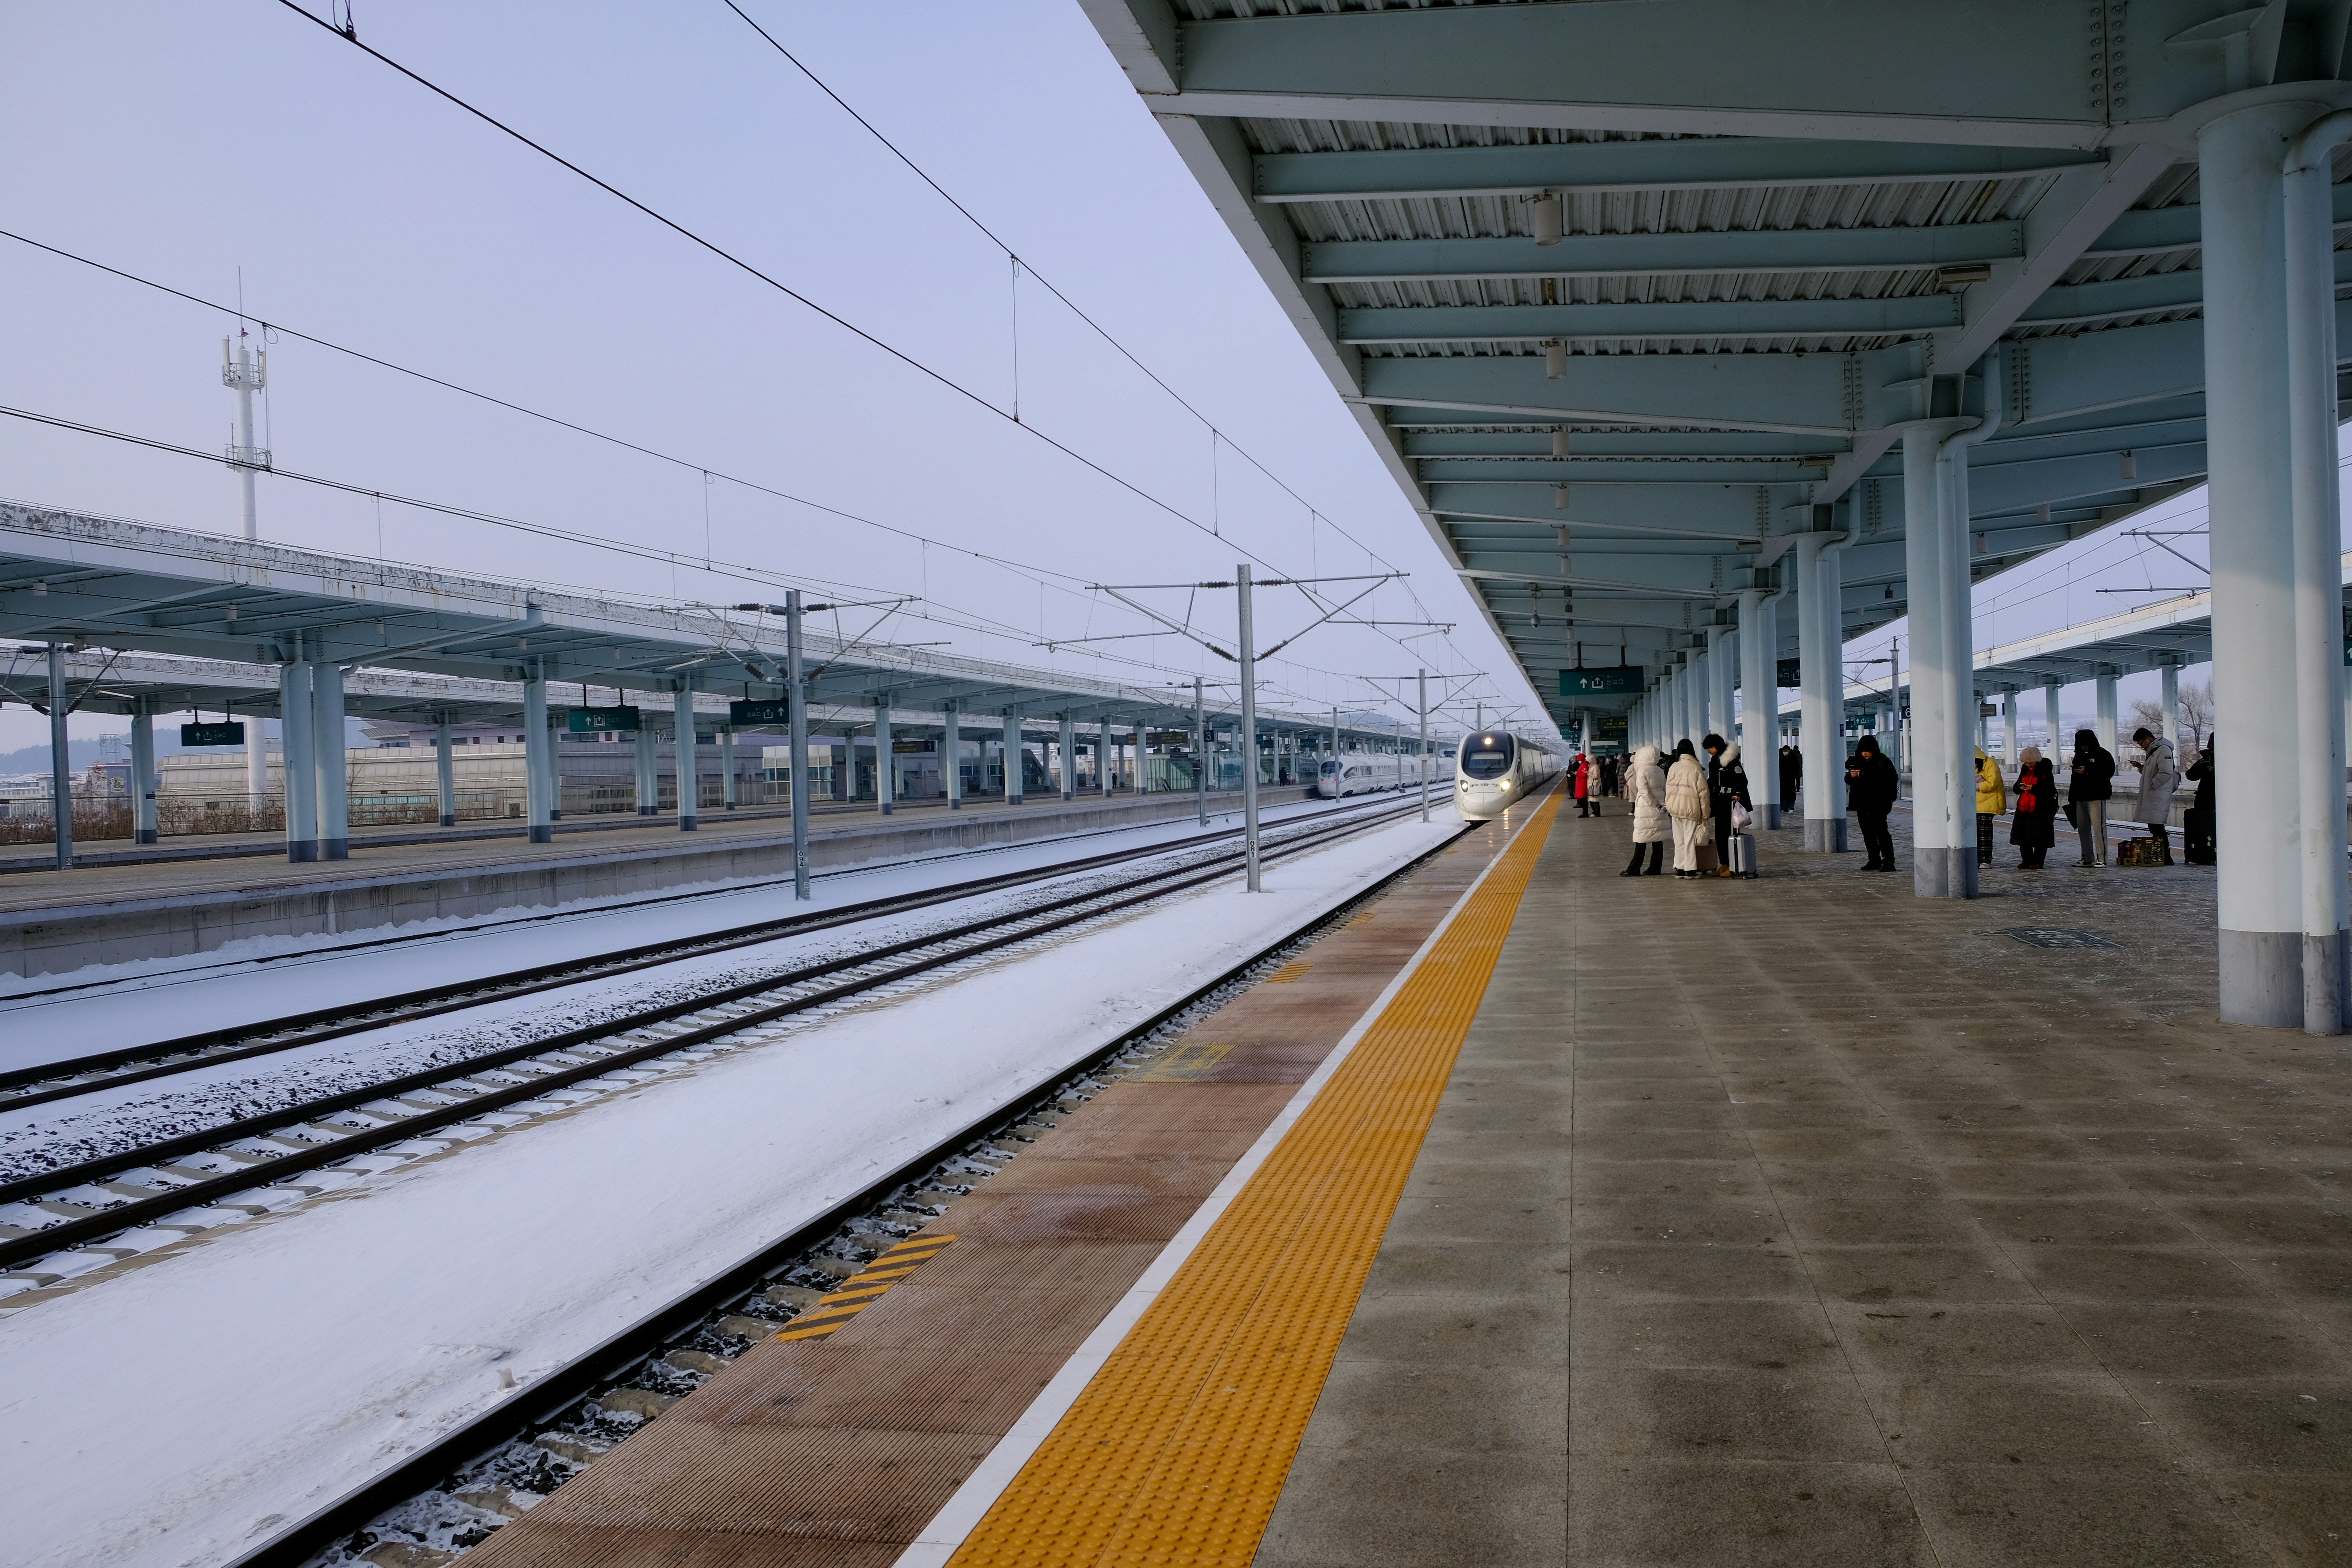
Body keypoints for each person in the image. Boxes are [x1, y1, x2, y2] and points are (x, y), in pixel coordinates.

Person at [1845, 734, 1899, 871]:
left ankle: (1888, 861)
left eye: (1867, 751)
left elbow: (1886, 781)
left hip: (1879, 804)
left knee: (1881, 833)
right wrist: (1851, 775)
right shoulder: (1858, 762)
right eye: (1862, 751)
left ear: (1874, 750)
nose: (1864, 753)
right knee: (1868, 834)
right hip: (1862, 804)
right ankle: (1874, 860)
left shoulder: (1883, 762)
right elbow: (1849, 780)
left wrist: (1864, 775)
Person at [1664, 739, 1713, 879]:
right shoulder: (1696, 768)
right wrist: (1706, 813)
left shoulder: (1674, 767)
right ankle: (1690, 870)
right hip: (1691, 808)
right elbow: (1703, 792)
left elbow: (1668, 788)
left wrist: (1669, 804)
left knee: (1679, 840)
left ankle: (1679, 868)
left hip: (1675, 808)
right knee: (1690, 840)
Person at [1703, 733, 1750, 876]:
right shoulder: (1714, 762)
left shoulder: (1731, 761)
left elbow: (1741, 780)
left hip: (1730, 805)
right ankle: (1724, 864)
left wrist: (1737, 794)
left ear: (1716, 746)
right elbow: (1712, 780)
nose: (1708, 751)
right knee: (1720, 835)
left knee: (1729, 834)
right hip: (1719, 804)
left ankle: (1732, 864)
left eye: (1709, 748)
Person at [2068, 727, 2116, 866]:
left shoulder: (2103, 754)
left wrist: (2088, 771)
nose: (2084, 747)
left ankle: (2102, 858)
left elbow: (2109, 772)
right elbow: (2074, 778)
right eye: (2081, 744)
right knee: (2083, 830)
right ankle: (2087, 858)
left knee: (2098, 829)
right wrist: (2072, 796)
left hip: (2097, 795)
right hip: (2080, 796)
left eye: (2086, 744)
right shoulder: (2078, 756)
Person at [2131, 726, 2179, 865]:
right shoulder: (2154, 751)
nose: (2142, 746)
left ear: (2148, 739)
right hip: (2153, 795)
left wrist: (2153, 784)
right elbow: (2154, 771)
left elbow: (2166, 772)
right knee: (2154, 827)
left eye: (2141, 743)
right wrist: (2141, 768)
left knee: (2157, 827)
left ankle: (2166, 857)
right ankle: (2163, 856)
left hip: (2158, 795)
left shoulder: (2163, 750)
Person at [1621, 743, 1670, 876]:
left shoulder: (1643, 770)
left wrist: (1654, 804)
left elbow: (1644, 791)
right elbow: (1665, 788)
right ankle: (1655, 868)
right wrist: (1661, 804)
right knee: (1658, 839)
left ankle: (1634, 869)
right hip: (1660, 809)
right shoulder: (1659, 770)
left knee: (1641, 838)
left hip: (1647, 809)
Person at [2011, 754, 2059, 868]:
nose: (2029, 765)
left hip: (2041, 810)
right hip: (2024, 809)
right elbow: (2016, 789)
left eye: (2031, 763)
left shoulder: (2046, 774)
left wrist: (2033, 788)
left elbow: (2049, 791)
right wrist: (2020, 787)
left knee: (2040, 837)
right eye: (2026, 763)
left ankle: (2038, 861)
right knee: (2023, 836)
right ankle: (2026, 860)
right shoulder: (2024, 772)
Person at [2183, 736, 2214, 864]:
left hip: (2220, 801)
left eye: (2214, 749)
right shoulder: (2205, 759)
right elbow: (2191, 776)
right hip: (2204, 800)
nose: (2212, 751)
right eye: (2211, 748)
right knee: (2203, 829)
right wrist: (2201, 767)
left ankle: (2212, 854)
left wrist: (2216, 772)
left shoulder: (2230, 758)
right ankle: (2204, 854)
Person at [1974, 748, 2005, 869]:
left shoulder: (1990, 763)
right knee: (1975, 834)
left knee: (1984, 833)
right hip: (1975, 803)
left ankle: (1986, 860)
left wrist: (1978, 786)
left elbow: (1993, 782)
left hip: (1988, 802)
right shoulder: (1970, 764)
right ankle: (1977, 859)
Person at [1571, 753, 1592, 817]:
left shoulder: (1585, 765)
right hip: (1581, 784)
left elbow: (1585, 775)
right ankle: (1585, 813)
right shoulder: (1583, 764)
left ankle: (1585, 813)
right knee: (1584, 799)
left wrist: (1577, 774)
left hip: (1583, 785)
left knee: (1584, 799)